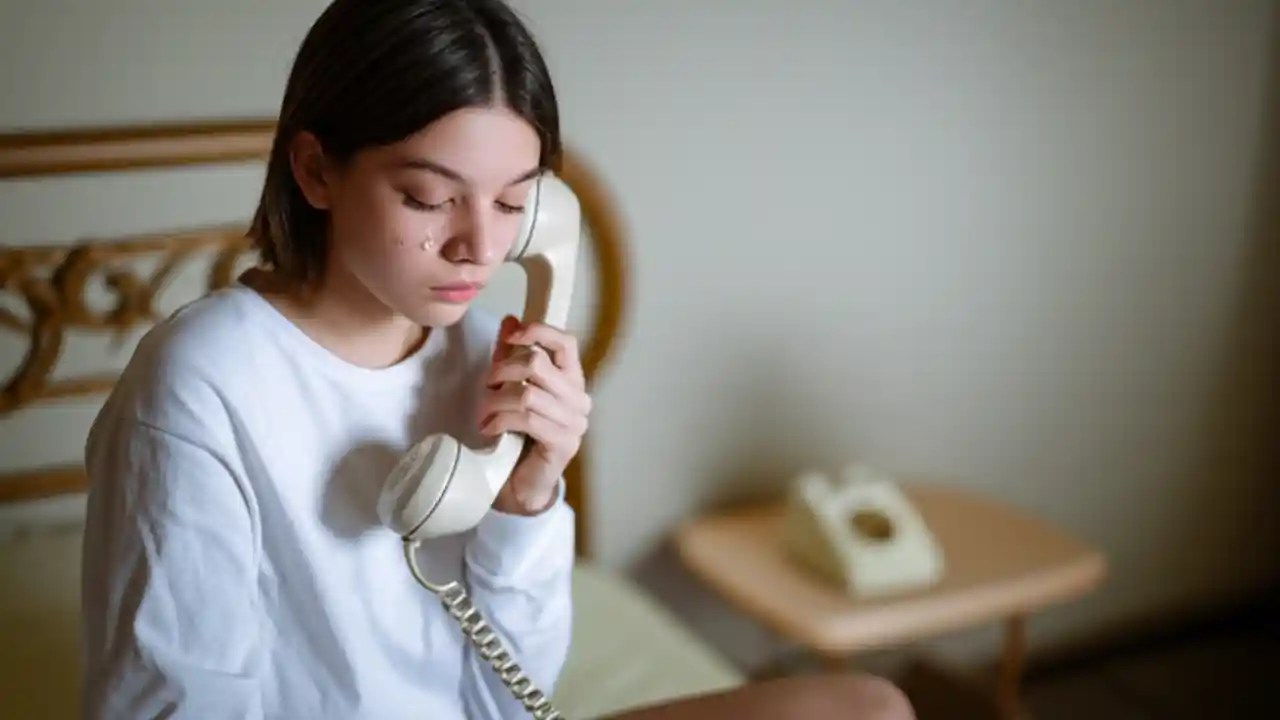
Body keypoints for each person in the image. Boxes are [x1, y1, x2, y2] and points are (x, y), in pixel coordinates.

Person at [79, 1, 914, 718]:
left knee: (869, 706)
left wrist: (528, 499)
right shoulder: (201, 384)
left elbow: (513, 697)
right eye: (431, 199)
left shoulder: (491, 356)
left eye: (515, 202)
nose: (480, 249)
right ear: (315, 170)